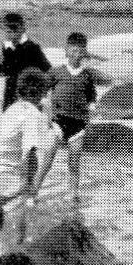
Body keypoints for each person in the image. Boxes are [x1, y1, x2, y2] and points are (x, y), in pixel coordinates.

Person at [0, 68, 57, 249]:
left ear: (19, 91)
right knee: (17, 237)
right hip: (13, 181)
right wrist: (30, 185)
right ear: (41, 93)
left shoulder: (10, 110)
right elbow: (30, 153)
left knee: (4, 234)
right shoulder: (32, 115)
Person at [46, 32, 112, 205]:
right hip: (58, 120)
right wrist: (46, 115)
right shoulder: (56, 72)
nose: (77, 54)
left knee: (74, 161)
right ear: (66, 51)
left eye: (81, 51)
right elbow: (43, 91)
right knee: (49, 154)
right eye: (73, 51)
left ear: (85, 53)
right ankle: (33, 191)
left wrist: (92, 62)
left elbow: (107, 81)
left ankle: (73, 194)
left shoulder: (88, 75)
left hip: (79, 124)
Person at [0, 13, 51, 110]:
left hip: (28, 96)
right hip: (10, 95)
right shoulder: (6, 47)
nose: (10, 32)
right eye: (8, 29)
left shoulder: (32, 48)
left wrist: (41, 94)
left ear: (23, 29)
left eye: (14, 28)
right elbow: (6, 69)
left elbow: (48, 70)